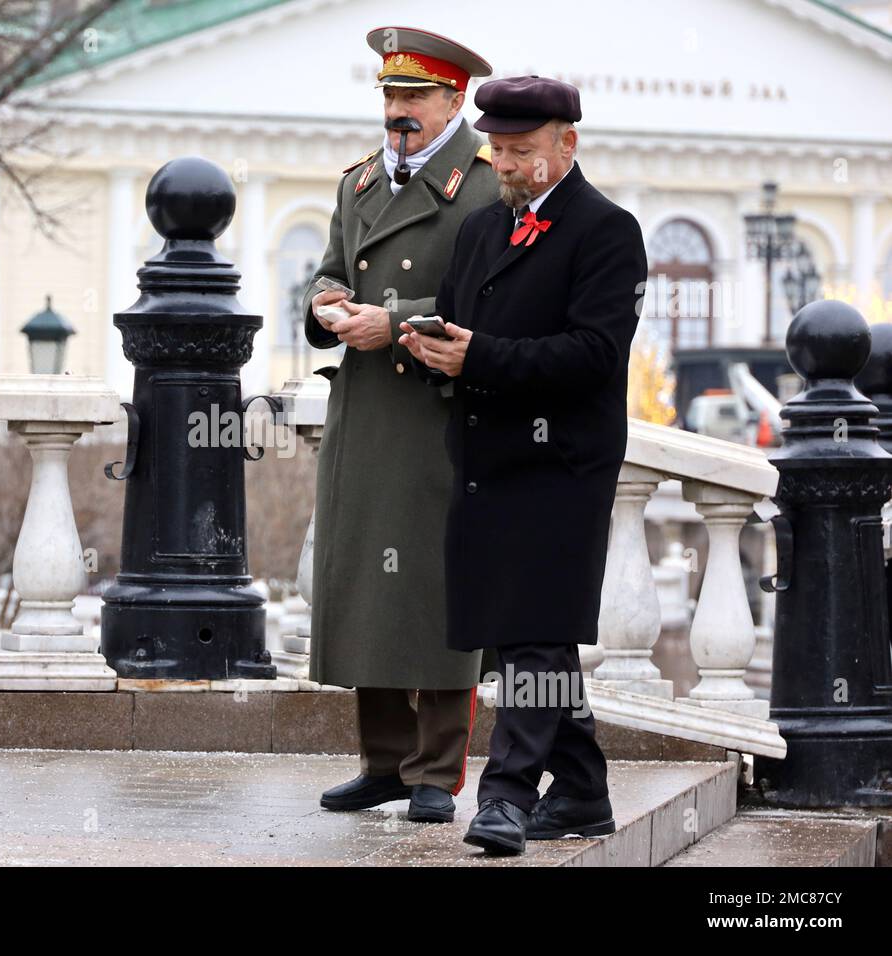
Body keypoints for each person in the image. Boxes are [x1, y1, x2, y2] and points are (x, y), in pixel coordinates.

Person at [399, 75, 647, 853]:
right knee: (515, 632)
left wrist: (479, 355)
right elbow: (463, 331)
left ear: (565, 146)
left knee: (536, 628)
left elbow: (595, 354)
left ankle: (505, 795)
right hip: (486, 457)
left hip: (562, 464)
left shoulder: (609, 231)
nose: (502, 163)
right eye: (496, 149)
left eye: (520, 151)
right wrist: (434, 350)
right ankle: (580, 789)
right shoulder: (479, 230)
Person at [302, 26, 499, 824]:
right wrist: (322, 306)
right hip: (367, 417)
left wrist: (395, 324)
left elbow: (490, 303)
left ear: (455, 101)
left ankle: (435, 771)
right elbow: (328, 267)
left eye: (414, 97)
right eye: (389, 96)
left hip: (441, 416)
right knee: (369, 595)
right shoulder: (357, 186)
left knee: (436, 594)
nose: (399, 111)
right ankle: (383, 762)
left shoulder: (485, 190)